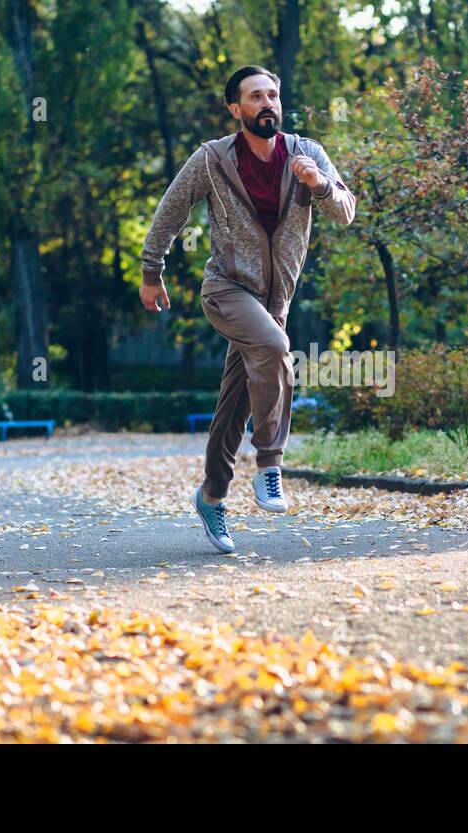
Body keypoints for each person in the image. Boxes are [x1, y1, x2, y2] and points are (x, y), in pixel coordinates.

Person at [139, 65, 357, 553]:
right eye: (256, 97)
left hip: (274, 299)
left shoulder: (307, 154)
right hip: (227, 289)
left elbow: (346, 210)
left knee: (234, 400)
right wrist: (152, 270)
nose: (268, 104)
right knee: (276, 346)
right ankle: (271, 464)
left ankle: (212, 495)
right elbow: (171, 211)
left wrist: (319, 184)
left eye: (273, 95)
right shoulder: (212, 159)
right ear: (236, 109)